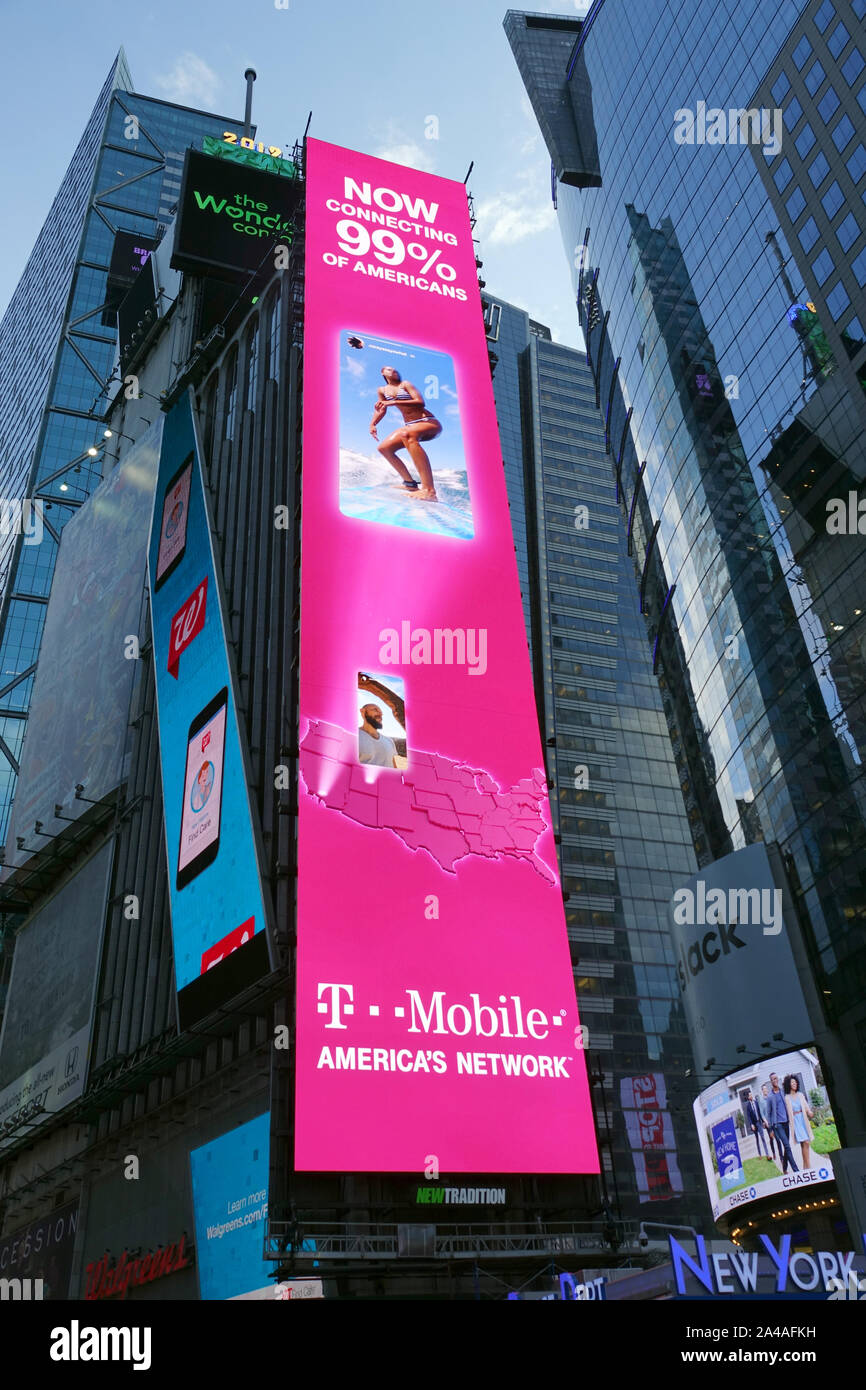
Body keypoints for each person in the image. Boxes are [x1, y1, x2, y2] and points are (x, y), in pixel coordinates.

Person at [369, 366, 442, 501]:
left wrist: (394, 401)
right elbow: (382, 408)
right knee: (384, 448)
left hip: (428, 422)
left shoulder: (405, 384)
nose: (394, 371)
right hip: (410, 426)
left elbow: (420, 402)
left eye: (395, 370)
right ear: (383, 373)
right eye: (390, 370)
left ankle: (429, 490)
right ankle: (410, 484)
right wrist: (373, 423)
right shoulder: (382, 390)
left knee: (406, 434)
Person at [765, 1071, 799, 1174]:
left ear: (778, 1079)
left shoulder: (783, 1092)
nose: (775, 1080)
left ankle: (784, 1168)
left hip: (786, 1123)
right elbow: (768, 1113)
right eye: (772, 1079)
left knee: (786, 1147)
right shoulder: (770, 1096)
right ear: (771, 1082)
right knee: (787, 1146)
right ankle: (796, 1170)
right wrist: (770, 1129)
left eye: (776, 1078)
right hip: (777, 1125)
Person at [784, 1075, 814, 1170]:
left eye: (795, 1082)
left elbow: (805, 1105)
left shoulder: (800, 1095)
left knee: (804, 1145)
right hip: (796, 1122)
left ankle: (805, 1167)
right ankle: (808, 1166)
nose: (794, 1084)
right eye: (792, 1082)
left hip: (803, 1120)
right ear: (789, 1084)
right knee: (806, 1143)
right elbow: (788, 1112)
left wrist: (809, 1112)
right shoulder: (787, 1097)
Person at [358, 703, 398, 768]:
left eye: (381, 713)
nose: (380, 714)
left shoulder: (389, 741)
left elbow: (394, 766)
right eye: (375, 710)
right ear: (363, 711)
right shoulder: (353, 737)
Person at [743, 1088, 770, 1159]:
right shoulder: (748, 1106)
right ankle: (760, 1154)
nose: (751, 1096)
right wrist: (751, 1124)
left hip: (759, 1123)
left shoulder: (756, 1102)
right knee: (757, 1139)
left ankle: (767, 1154)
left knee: (763, 1138)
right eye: (750, 1095)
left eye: (751, 1094)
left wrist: (763, 1121)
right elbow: (748, 1116)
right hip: (754, 1125)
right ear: (748, 1097)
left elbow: (760, 1112)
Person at [760, 1082, 779, 1163]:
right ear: (762, 1091)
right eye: (764, 1089)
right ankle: (774, 1153)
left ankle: (780, 1153)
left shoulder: (770, 1097)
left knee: (777, 1137)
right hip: (768, 1123)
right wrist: (765, 1121)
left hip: (774, 1121)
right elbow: (761, 1113)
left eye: (766, 1089)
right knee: (771, 1138)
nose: (765, 1090)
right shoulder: (761, 1100)